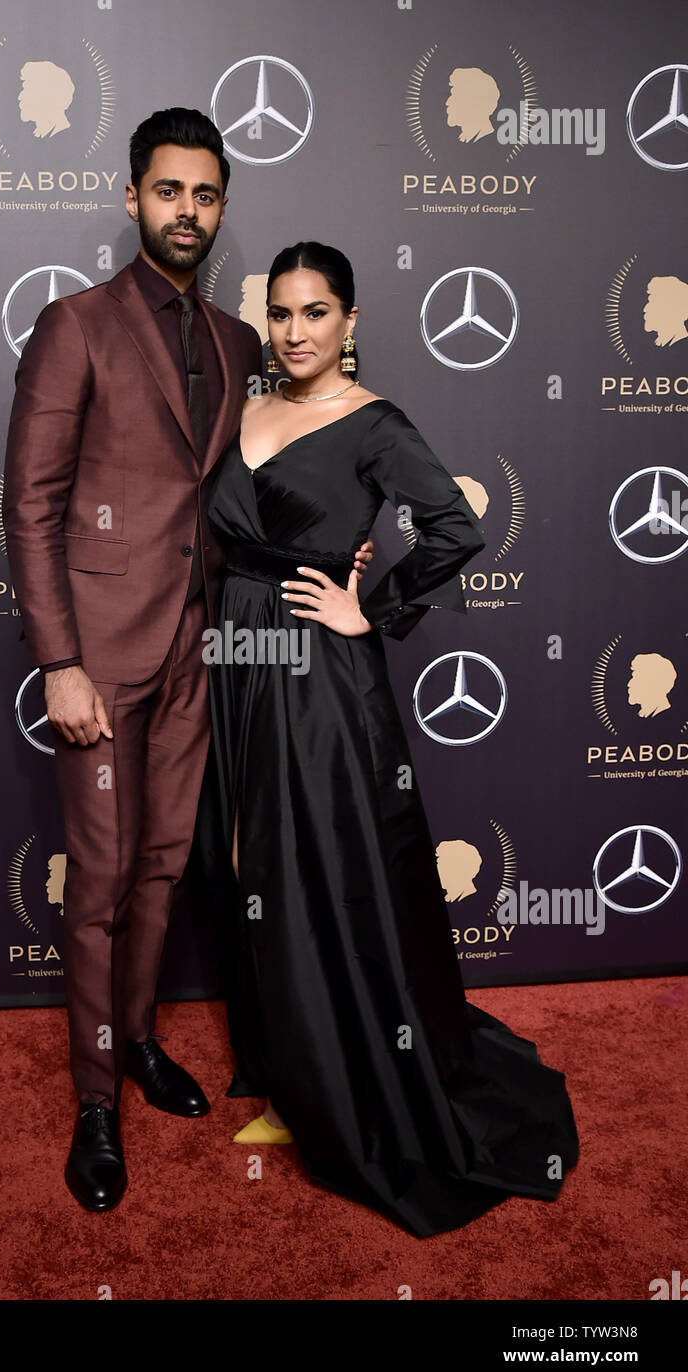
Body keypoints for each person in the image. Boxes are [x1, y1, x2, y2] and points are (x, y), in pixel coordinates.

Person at [2, 110, 375, 1213]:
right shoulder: (74, 325)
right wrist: (59, 662)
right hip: (103, 659)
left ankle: (140, 1043)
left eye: (206, 196)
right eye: (168, 192)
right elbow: (31, 507)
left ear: (221, 207)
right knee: (105, 879)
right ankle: (95, 1102)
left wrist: (339, 542)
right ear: (133, 200)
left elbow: (251, 495)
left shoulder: (235, 342)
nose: (187, 213)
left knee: (166, 868)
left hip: (201, 655)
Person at [204, 241, 580, 1236]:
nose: (293, 332)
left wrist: (371, 608)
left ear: (352, 322)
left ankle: (333, 1082)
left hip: (316, 677)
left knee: (309, 868)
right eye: (280, 313)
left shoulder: (375, 425)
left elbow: (455, 527)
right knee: (240, 856)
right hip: (234, 654)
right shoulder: (243, 406)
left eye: (315, 313)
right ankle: (290, 1056)